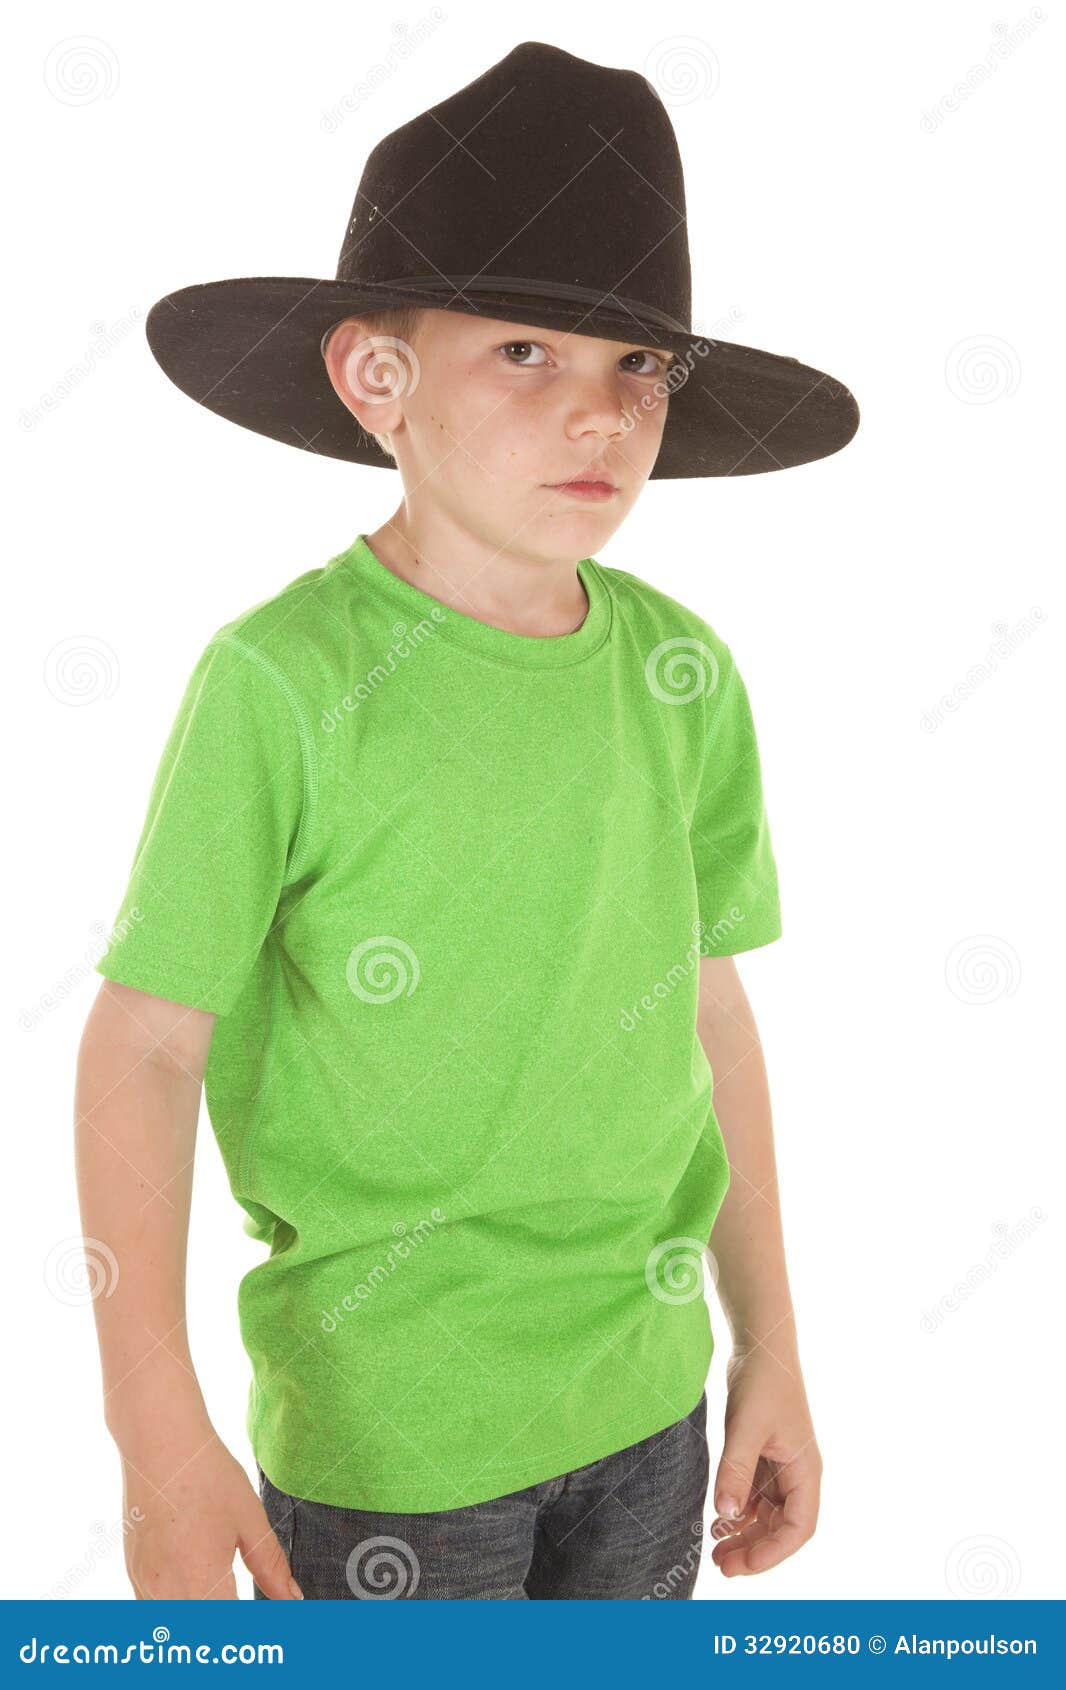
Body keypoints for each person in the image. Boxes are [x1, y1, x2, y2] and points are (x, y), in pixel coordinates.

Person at [76, 40, 858, 1600]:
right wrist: (154, 1427)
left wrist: (768, 1342)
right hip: (393, 1440)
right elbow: (146, 1045)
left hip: (649, 1409)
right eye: (525, 354)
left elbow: (709, 1011)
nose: (601, 413)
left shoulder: (678, 673)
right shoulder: (280, 681)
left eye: (636, 366)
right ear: (379, 379)